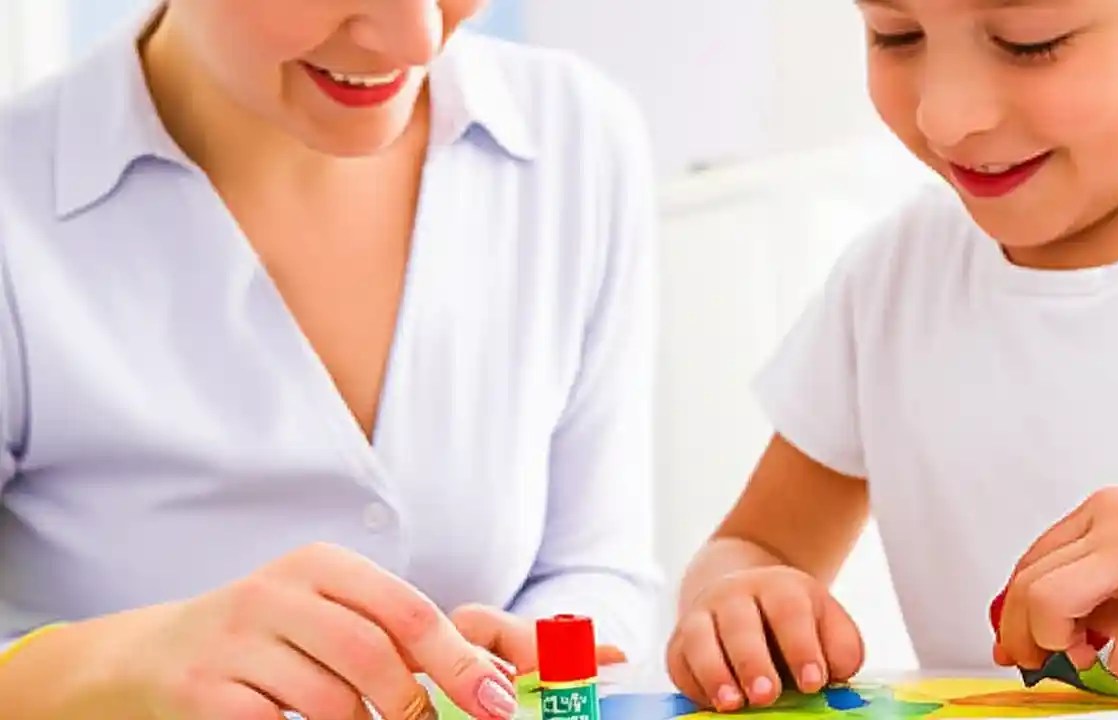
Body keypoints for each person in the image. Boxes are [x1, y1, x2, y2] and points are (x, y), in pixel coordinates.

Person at [0, 0, 660, 717]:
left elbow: (594, 566)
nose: (420, 38)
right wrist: (107, 670)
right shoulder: (18, 205)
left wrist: (531, 658)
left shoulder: (574, 135)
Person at [664, 0, 1118, 710]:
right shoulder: (893, 280)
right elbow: (756, 545)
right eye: (895, 35)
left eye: (1031, 43)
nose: (945, 117)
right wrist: (735, 599)